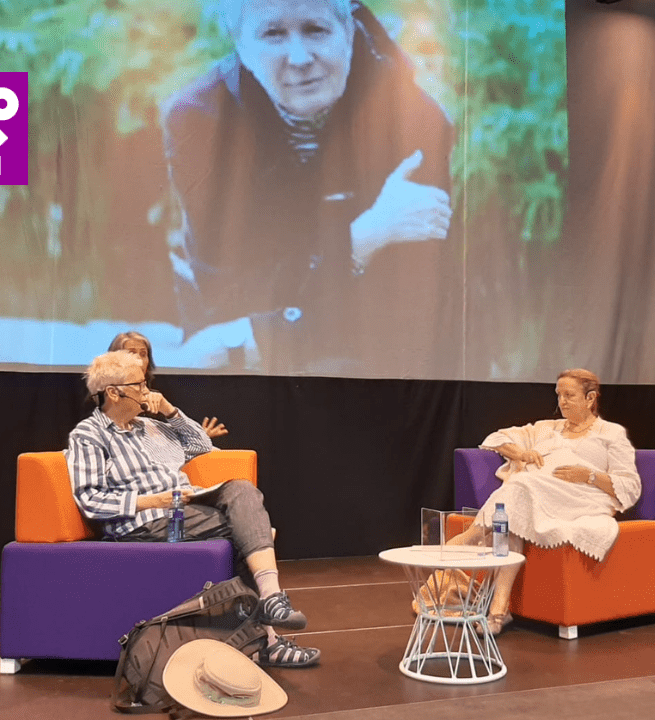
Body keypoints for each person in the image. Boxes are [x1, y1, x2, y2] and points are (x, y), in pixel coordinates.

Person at [161, 0, 456, 375]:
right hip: (247, 361)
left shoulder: (417, 120)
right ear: (240, 44)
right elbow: (231, 295)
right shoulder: (198, 118)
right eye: (273, 34)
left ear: (348, 32)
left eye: (316, 30)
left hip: (364, 364)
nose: (299, 58)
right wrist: (365, 237)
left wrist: (260, 332)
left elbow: (405, 313)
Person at [66, 350, 319, 667]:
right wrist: (153, 500)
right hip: (145, 522)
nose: (149, 392)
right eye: (140, 386)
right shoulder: (88, 436)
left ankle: (270, 604)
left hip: (183, 509)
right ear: (114, 393)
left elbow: (202, 444)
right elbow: (90, 499)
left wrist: (170, 411)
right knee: (252, 529)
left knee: (241, 489)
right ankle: (268, 638)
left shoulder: (149, 427)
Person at [449, 369, 641, 635]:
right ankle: (498, 612)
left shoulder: (610, 433)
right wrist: (522, 453)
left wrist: (590, 475)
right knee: (516, 512)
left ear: (590, 398)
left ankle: (469, 538)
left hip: (584, 497)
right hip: (538, 495)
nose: (562, 401)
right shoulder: (546, 428)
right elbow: (497, 438)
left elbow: (631, 486)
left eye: (569, 395)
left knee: (521, 486)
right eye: (559, 395)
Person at [107, 330, 227, 438]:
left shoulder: (157, 398)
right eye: (131, 353)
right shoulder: (107, 395)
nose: (139, 360)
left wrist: (200, 437)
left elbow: (169, 445)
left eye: (143, 354)